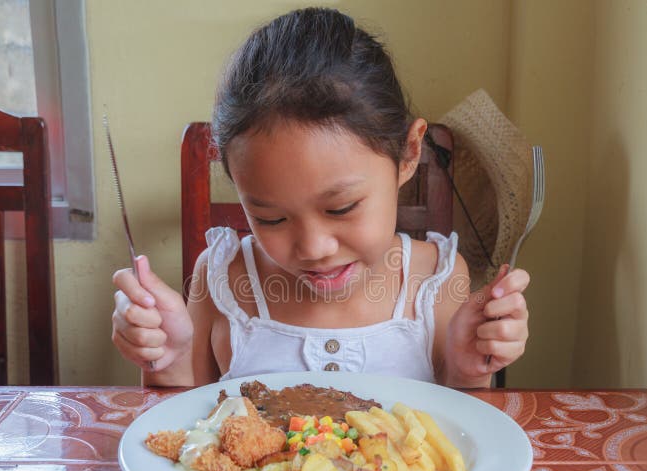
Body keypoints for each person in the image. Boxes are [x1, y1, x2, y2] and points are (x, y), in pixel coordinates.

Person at [112, 7, 530, 388]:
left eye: (342, 208)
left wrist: (469, 368)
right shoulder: (222, 278)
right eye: (270, 218)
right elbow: (184, 431)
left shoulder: (435, 279)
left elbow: (461, 433)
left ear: (409, 154)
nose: (313, 248)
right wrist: (168, 359)